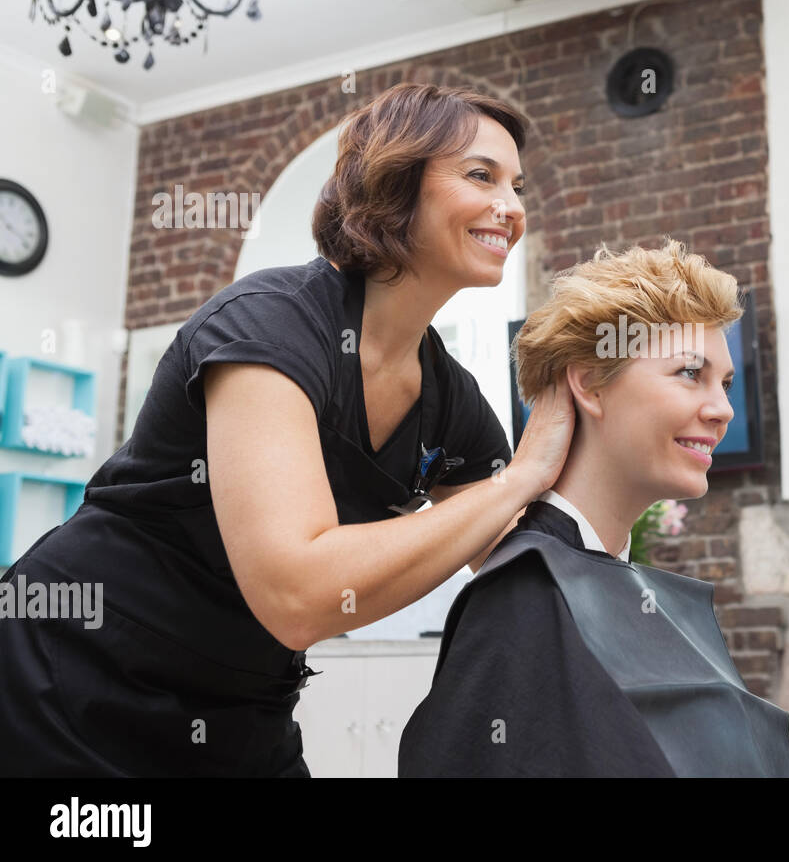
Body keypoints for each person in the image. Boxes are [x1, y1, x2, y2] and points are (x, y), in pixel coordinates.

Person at [0, 83, 575, 776]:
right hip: (77, 674)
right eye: (480, 175)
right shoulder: (268, 322)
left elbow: (521, 568)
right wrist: (519, 479)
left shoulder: (451, 400)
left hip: (242, 702)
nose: (510, 208)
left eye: (517, 185)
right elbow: (298, 596)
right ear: (393, 184)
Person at [398, 240, 789, 777]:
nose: (722, 409)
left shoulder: (617, 585)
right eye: (689, 373)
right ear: (590, 384)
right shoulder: (527, 594)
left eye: (724, 383)